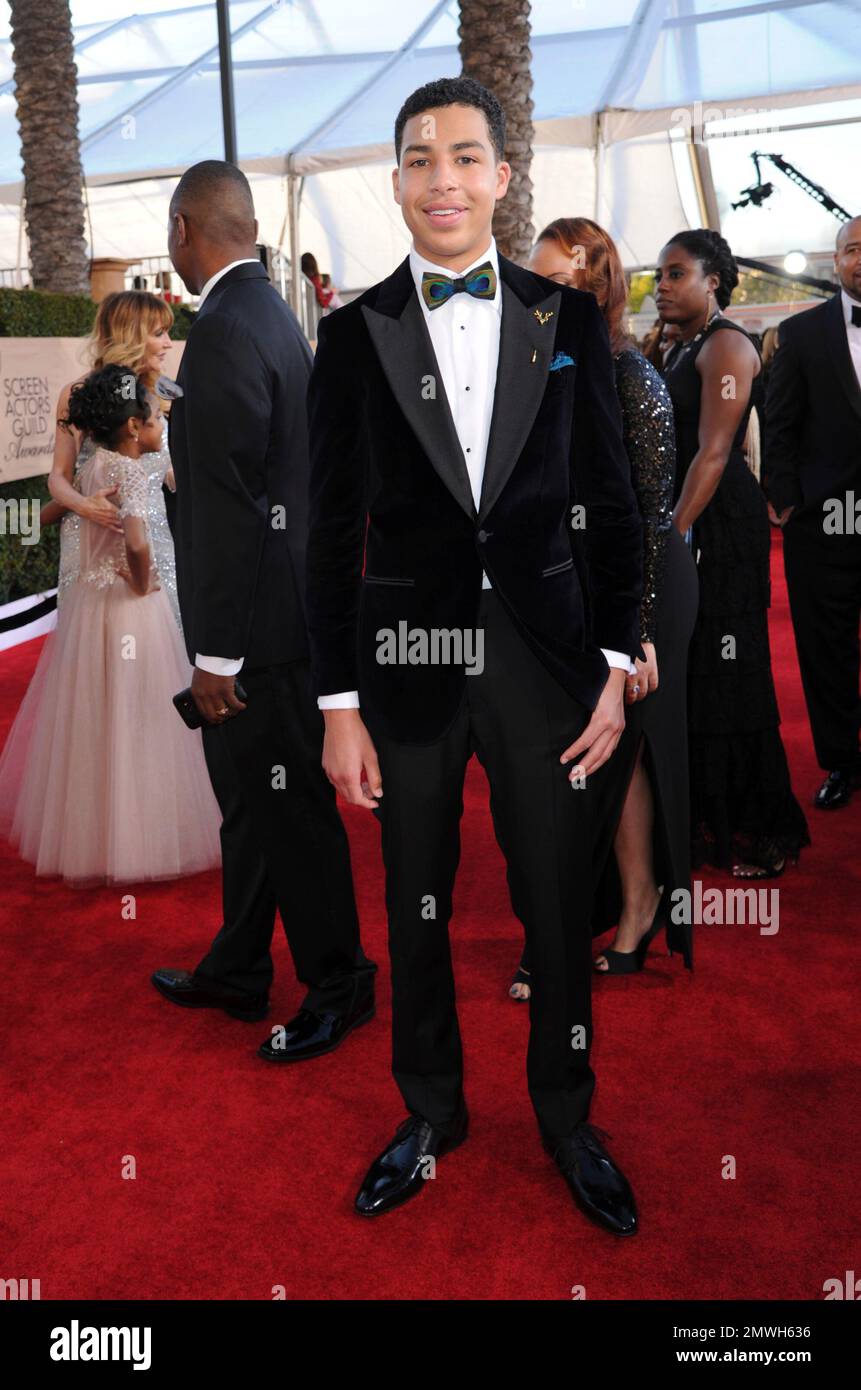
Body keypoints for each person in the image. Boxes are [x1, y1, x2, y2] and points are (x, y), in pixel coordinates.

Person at [306, 78, 644, 1235]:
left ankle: (565, 1112)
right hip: (404, 658)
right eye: (417, 158)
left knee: (556, 901)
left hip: (546, 659)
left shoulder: (567, 320)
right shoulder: (350, 336)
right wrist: (337, 703)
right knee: (416, 902)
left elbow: (615, 497)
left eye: (463, 155)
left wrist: (611, 658)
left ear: (502, 177)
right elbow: (328, 526)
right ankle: (432, 1112)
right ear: (396, 183)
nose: (440, 177)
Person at [152, 160, 376, 1051]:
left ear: (182, 229)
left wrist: (217, 654)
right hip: (281, 618)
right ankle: (240, 968)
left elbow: (235, 503)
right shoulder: (273, 315)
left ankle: (340, 981)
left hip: (259, 634)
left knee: (288, 812)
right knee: (250, 804)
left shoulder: (224, 328)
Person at [507, 216, 697, 993]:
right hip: (568, 592)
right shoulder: (534, 372)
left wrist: (637, 633)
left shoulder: (629, 378)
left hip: (637, 594)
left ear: (592, 289)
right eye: (533, 279)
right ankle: (624, 904)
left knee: (610, 760)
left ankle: (623, 912)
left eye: (554, 282)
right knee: (604, 763)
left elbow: (651, 515)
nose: (535, 295)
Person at [0, 366, 221, 886]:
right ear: (131, 426)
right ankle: (145, 835)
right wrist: (145, 582)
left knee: (93, 719)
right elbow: (140, 542)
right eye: (154, 418)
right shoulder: (126, 470)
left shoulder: (93, 466)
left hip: (91, 607)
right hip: (131, 607)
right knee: (143, 717)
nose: (160, 425)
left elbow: (55, 510)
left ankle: (94, 836)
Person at [657, 229, 810, 878]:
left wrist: (669, 536)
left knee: (732, 675)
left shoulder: (725, 345)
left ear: (711, 281)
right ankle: (704, 819)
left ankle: (768, 829)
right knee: (693, 676)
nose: (661, 285)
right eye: (659, 276)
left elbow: (713, 453)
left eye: (674, 274)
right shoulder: (676, 346)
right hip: (688, 518)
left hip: (719, 529)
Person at [765, 217, 861, 809]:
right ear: (835, 260)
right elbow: (779, 423)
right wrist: (787, 498)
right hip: (822, 526)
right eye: (853, 249)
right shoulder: (800, 334)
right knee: (826, 650)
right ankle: (841, 762)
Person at [43, 290, 180, 629]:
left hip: (154, 532)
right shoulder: (79, 393)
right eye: (159, 333)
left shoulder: (166, 393)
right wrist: (84, 505)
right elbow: (58, 476)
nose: (168, 344)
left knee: (159, 635)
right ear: (131, 335)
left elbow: (172, 469)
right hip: (94, 534)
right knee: (95, 639)